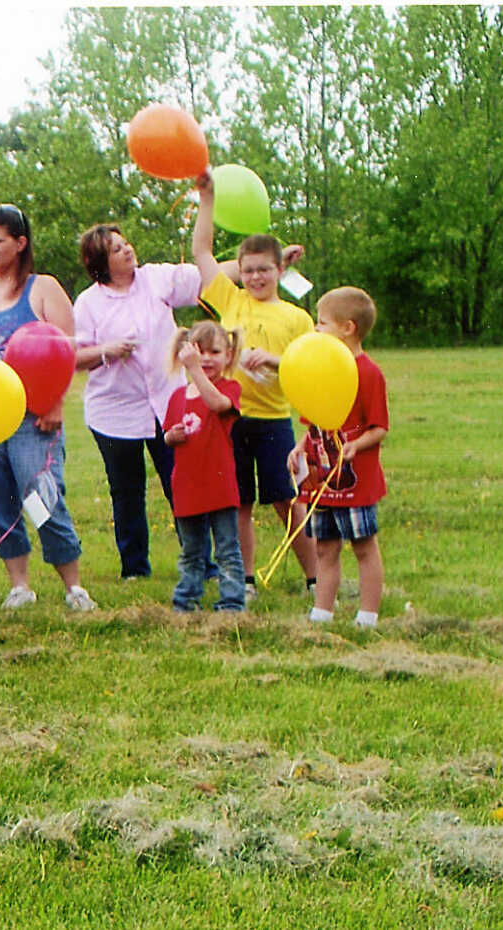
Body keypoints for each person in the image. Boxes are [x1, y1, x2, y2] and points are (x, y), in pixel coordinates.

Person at [0, 203, 98, 612]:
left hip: (33, 417)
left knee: (42, 495)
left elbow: (66, 348)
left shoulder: (43, 289)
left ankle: (73, 586)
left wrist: (55, 401)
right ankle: (19, 585)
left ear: (20, 243)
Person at [192, 169, 318, 599]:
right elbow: (202, 251)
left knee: (287, 501)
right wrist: (207, 200)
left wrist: (277, 360)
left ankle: (316, 576)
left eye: (264, 270)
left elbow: (311, 368)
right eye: (249, 271)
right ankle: (245, 580)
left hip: (274, 421)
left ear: (280, 270)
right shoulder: (229, 299)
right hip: (232, 420)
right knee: (238, 503)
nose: (256, 278)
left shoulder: (297, 318)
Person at [72, 223, 202, 579]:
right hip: (115, 412)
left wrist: (270, 261)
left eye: (126, 243)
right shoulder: (88, 303)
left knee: (181, 484)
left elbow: (208, 275)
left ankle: (199, 562)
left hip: (168, 403)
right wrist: (106, 351)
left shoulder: (156, 279)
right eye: (116, 249)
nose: (127, 250)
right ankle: (135, 569)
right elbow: (75, 357)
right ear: (100, 261)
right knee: (127, 493)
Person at [288, 287, 389, 627]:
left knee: (362, 545)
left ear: (347, 327)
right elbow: (316, 419)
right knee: (325, 547)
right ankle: (323, 611)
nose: (315, 330)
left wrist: (357, 446)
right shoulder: (321, 368)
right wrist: (301, 447)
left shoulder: (369, 372)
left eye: (322, 323)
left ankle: (368, 614)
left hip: (354, 481)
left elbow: (379, 427)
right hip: (321, 480)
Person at [161, 321, 247, 612]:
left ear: (228, 355)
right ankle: (186, 599)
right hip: (187, 485)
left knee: (227, 548)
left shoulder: (229, 388)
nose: (206, 358)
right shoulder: (177, 396)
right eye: (199, 352)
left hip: (219, 484)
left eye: (215, 351)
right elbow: (167, 434)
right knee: (191, 550)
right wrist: (170, 436)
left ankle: (232, 602)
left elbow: (219, 405)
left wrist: (196, 371)